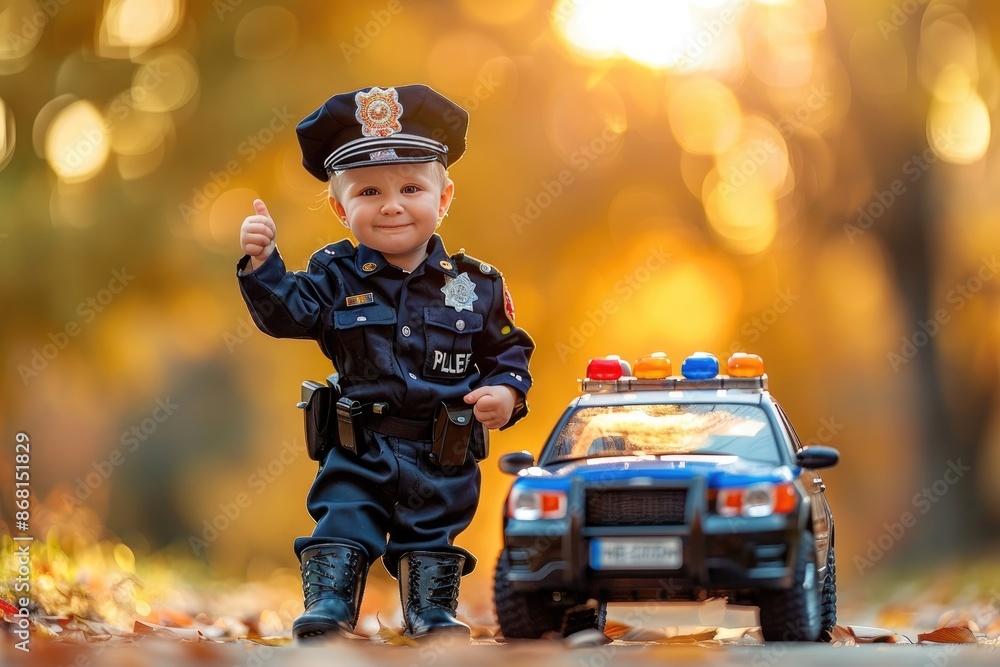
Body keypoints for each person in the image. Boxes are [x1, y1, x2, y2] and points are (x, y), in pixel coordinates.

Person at [236, 84, 534, 643]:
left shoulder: (477, 284)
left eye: (411, 188)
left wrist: (506, 393)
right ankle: (328, 606)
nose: (392, 204)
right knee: (343, 519)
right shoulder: (333, 276)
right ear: (339, 207)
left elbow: (507, 351)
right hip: (360, 442)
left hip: (441, 451)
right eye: (368, 190)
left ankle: (431, 612)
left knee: (431, 533)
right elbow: (286, 314)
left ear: (443, 199)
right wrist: (263, 264)